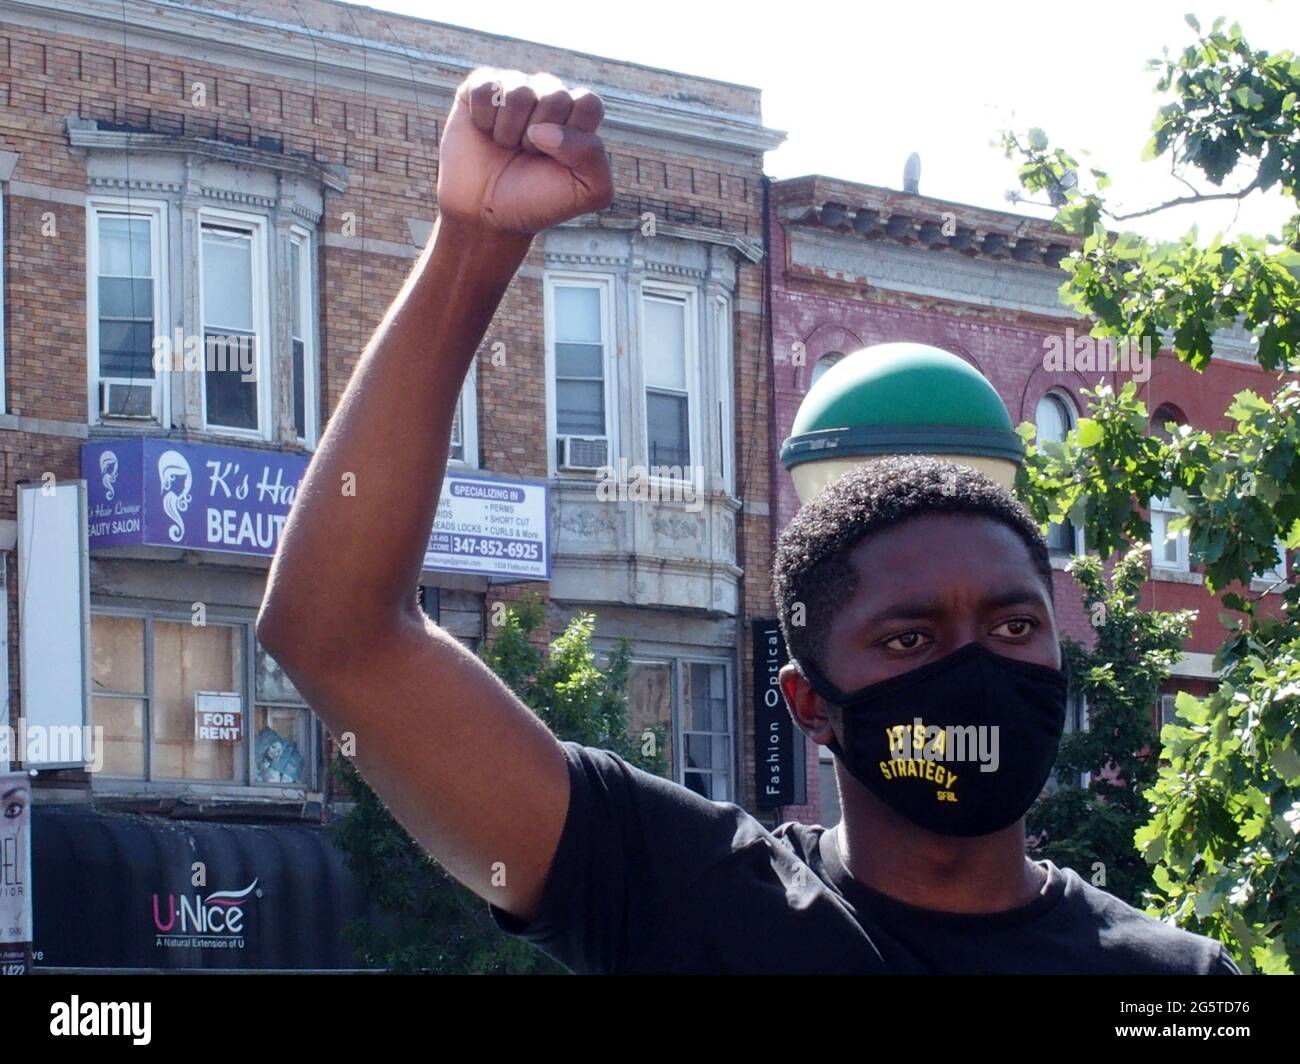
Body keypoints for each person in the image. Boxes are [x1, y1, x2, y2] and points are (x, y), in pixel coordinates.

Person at [258, 67, 1240, 975]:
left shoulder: (1178, 986)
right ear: (808, 703)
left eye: (1013, 626)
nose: (977, 663)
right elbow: (335, 634)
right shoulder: (693, 902)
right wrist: (473, 248)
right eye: (910, 636)